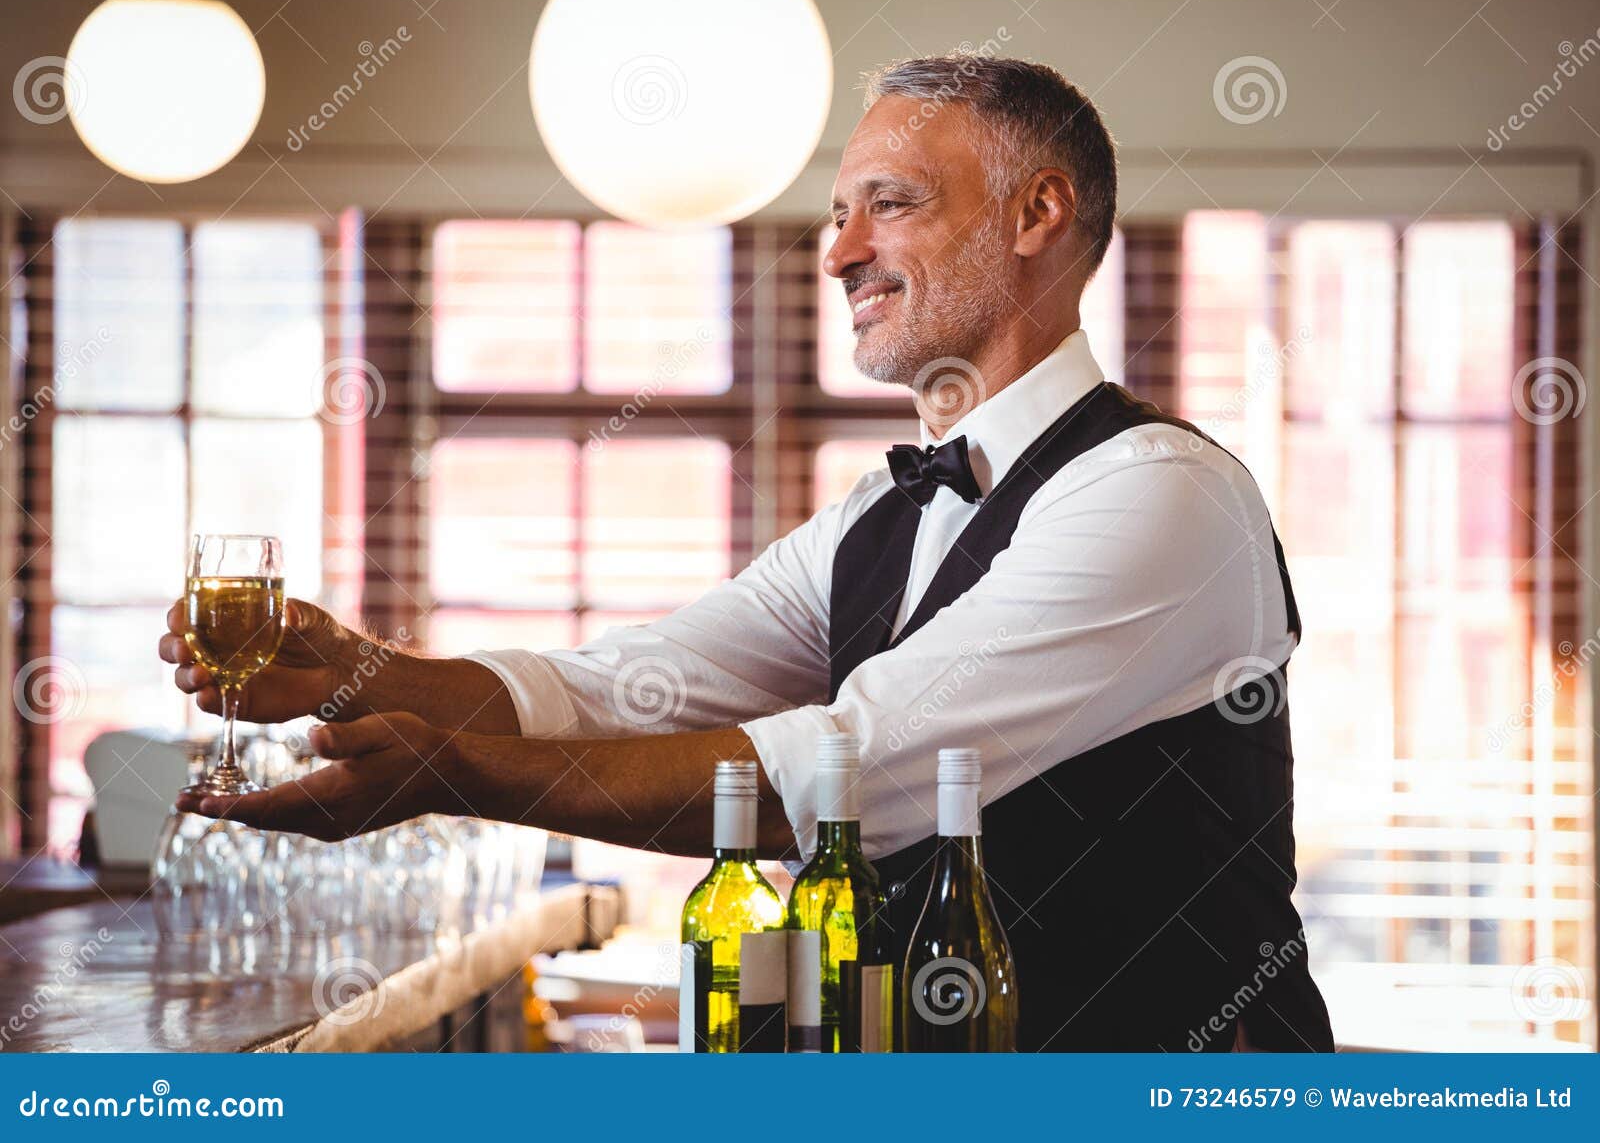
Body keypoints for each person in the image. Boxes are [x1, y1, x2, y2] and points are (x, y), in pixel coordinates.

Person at [159, 54, 1333, 1052]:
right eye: (838, 215)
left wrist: (457, 776)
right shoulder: (878, 519)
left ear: (1037, 215)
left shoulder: (1160, 494)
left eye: (889, 203)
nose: (838, 255)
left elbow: (848, 767)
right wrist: (364, 672)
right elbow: (629, 686)